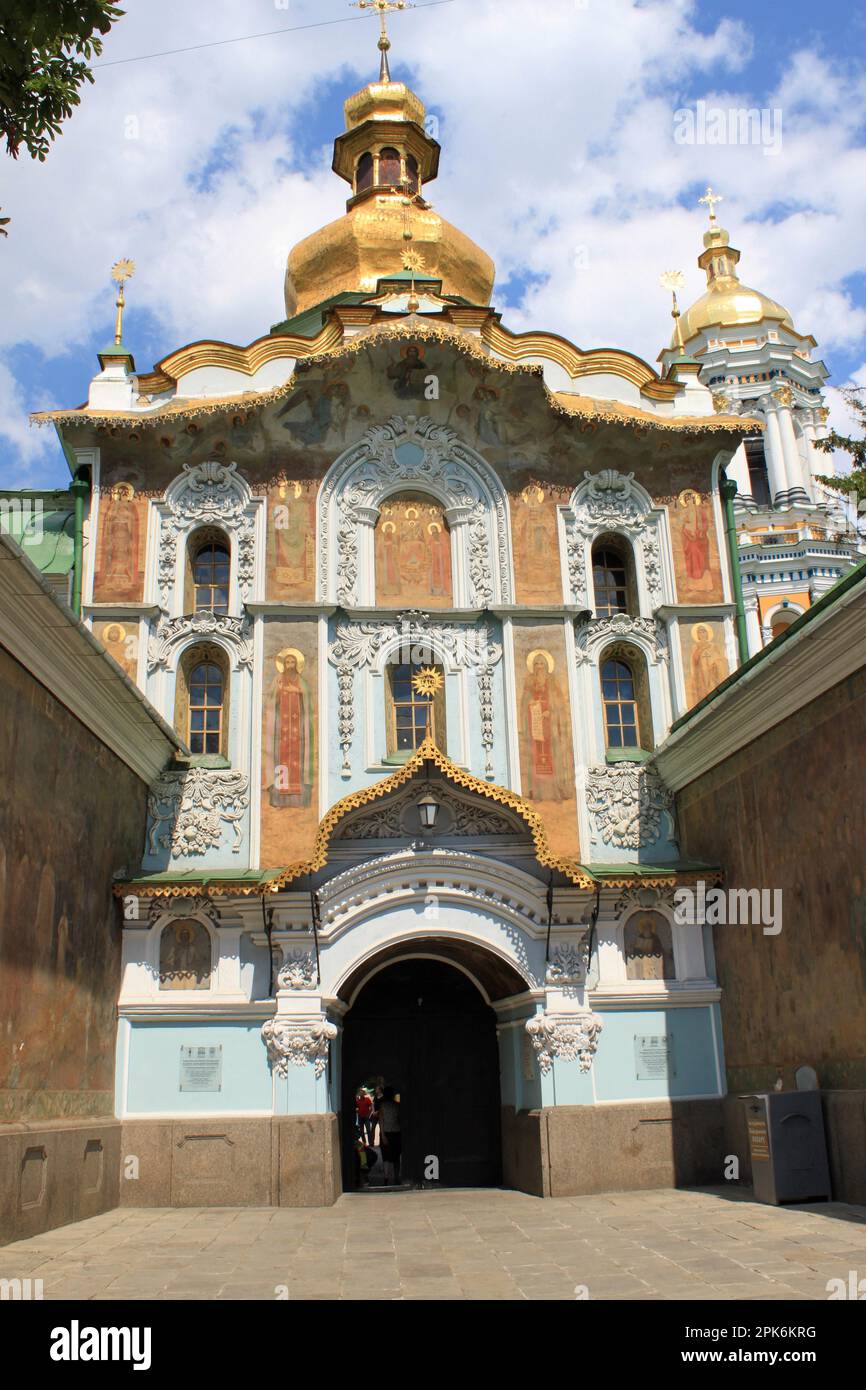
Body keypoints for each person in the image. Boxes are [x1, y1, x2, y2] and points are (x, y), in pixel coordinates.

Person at [377, 1086, 402, 1185]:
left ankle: (386, 1178)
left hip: (386, 1132)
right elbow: (400, 1120)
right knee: (396, 1157)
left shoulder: (382, 1106)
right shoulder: (397, 1105)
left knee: (386, 1157)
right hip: (396, 1132)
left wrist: (382, 1135)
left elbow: (381, 1121)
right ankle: (396, 1177)